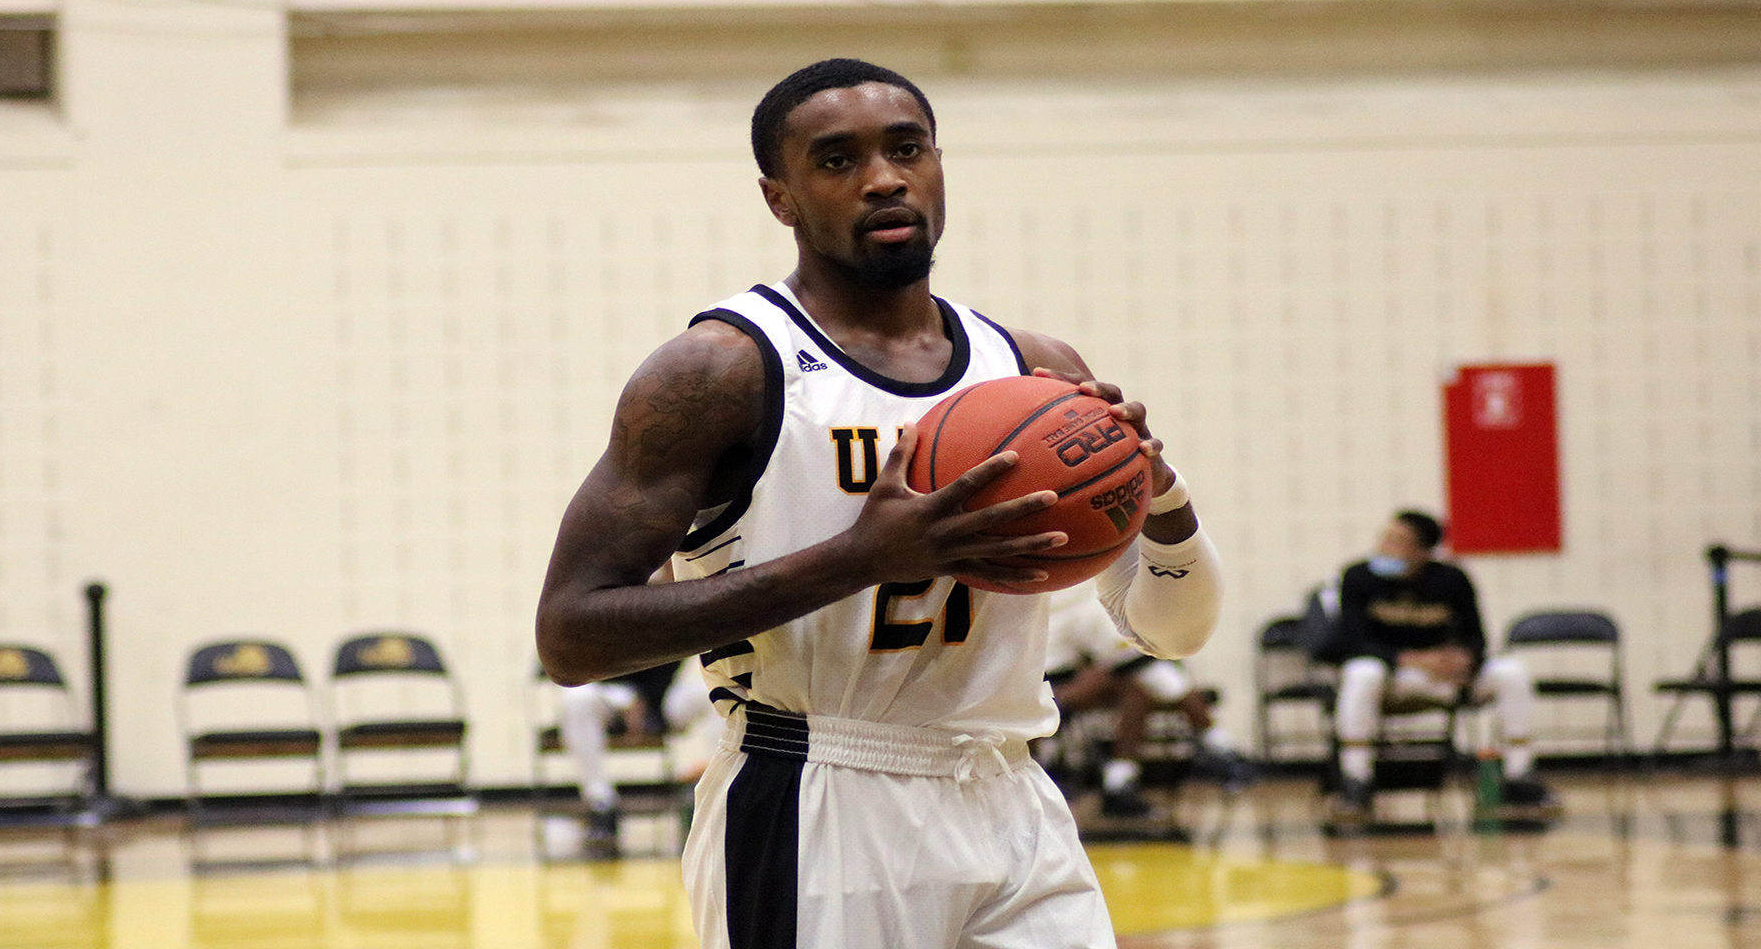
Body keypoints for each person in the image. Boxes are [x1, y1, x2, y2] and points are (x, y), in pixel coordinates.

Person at [536, 58, 1226, 948]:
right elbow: (572, 634)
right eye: (836, 160)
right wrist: (857, 560)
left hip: (1013, 792)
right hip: (818, 796)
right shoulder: (719, 371)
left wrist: (1159, 491)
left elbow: (1173, 631)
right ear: (779, 198)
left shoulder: (1038, 370)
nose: (885, 178)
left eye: (908, 149)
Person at [1329, 510, 1553, 818]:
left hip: (1444, 677)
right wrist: (1413, 659)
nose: (1384, 546)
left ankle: (1519, 775)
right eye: (1385, 538)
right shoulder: (1357, 577)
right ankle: (1356, 780)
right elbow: (1351, 642)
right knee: (1360, 673)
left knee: (1512, 673)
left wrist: (1464, 660)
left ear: (1423, 552)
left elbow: (1476, 636)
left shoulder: (1452, 579)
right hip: (1395, 676)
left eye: (1397, 541)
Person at [1042, 583, 1253, 818]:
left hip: (1073, 677)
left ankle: (1119, 783)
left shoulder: (1098, 595)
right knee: (1148, 673)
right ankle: (1219, 745)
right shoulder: (1084, 594)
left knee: (1139, 686)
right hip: (1047, 687)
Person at [558, 656, 723, 856]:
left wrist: (644, 698)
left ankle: (718, 787)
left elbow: (674, 654)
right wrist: (627, 699)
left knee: (717, 692)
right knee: (577, 699)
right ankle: (601, 804)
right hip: (608, 695)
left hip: (662, 695)